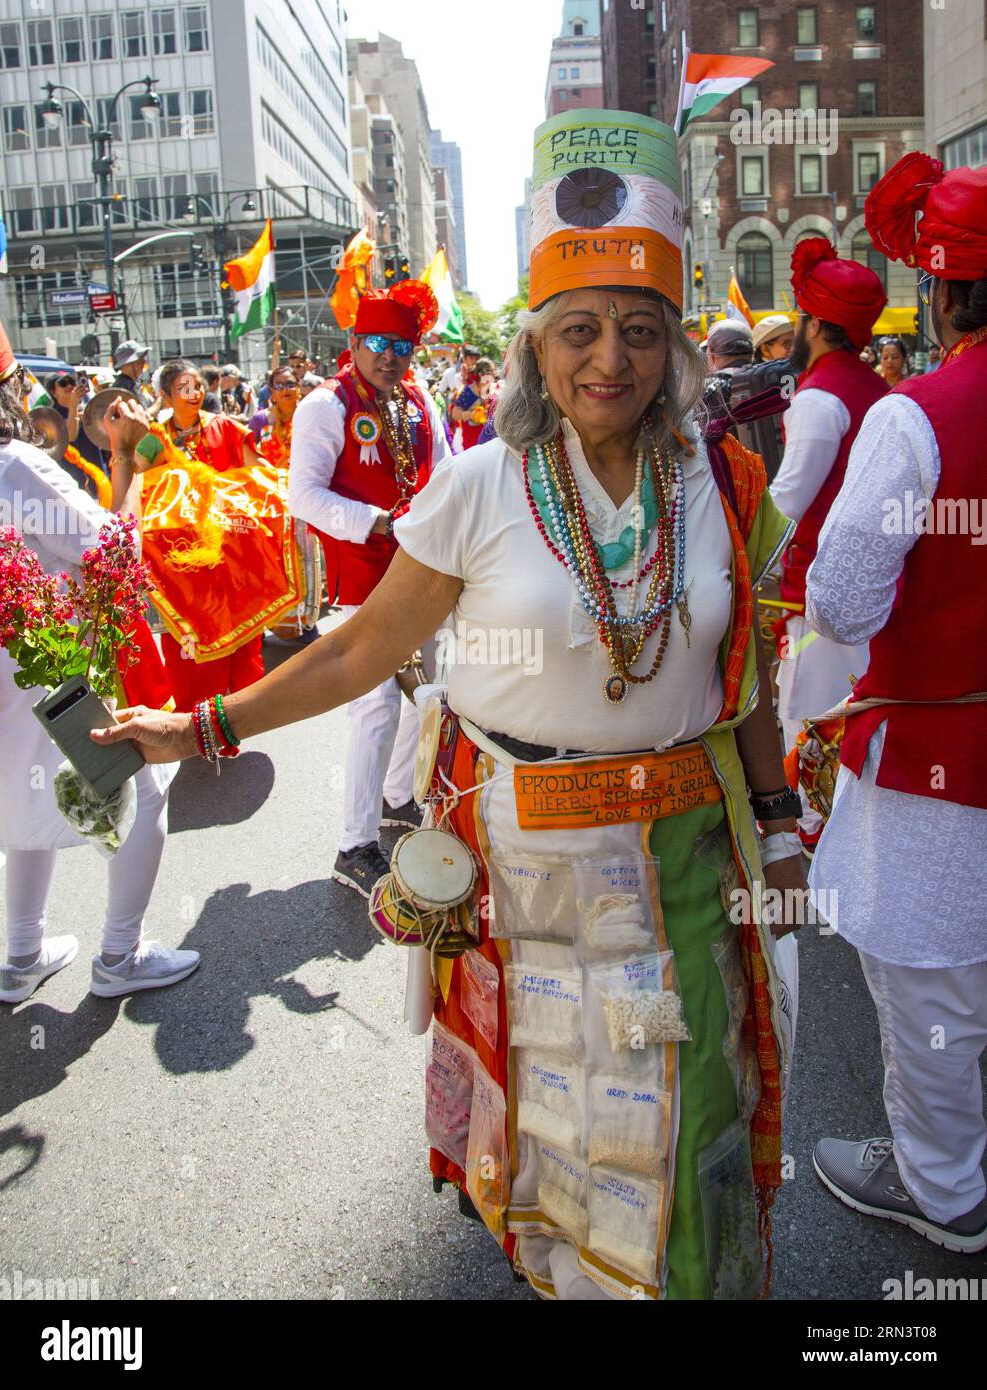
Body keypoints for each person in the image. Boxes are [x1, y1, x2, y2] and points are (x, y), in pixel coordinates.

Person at [95, 108, 805, 1302]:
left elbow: (747, 681)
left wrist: (779, 825)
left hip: (690, 855)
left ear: (676, 349)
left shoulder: (726, 485)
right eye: (579, 330)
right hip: (522, 871)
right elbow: (362, 648)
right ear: (534, 349)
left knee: (687, 1139)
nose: (610, 361)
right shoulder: (479, 484)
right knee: (564, 1148)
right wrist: (203, 726)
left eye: (639, 331)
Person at [808, 152, 987, 1255]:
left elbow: (840, 595)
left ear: (947, 294)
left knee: (932, 982)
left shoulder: (915, 417)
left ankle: (945, 1184)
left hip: (939, 757)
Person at [0, 315, 198, 1003]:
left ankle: (23, 956)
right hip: (49, 669)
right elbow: (111, 549)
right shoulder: (15, 465)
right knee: (143, 785)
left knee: (20, 793)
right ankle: (122, 955)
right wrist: (130, 463)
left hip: (6, 679)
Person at [286, 280, 450, 895]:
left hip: (427, 572)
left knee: (432, 690)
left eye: (402, 346)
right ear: (354, 343)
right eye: (377, 343)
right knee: (376, 705)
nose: (389, 356)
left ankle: (397, 796)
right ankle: (354, 845)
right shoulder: (325, 406)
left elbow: (451, 469)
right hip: (363, 581)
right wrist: (377, 521)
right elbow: (303, 495)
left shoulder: (418, 399)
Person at [769, 239, 888, 849]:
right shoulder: (877, 389)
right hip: (872, 585)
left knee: (807, 715)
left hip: (819, 591)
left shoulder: (819, 397)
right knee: (852, 709)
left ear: (814, 323)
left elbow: (785, 504)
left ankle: (821, 833)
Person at [109, 359, 298, 711]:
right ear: (165, 396)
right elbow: (138, 485)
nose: (195, 393)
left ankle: (239, 713)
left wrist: (292, 487)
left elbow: (257, 476)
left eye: (198, 385)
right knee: (188, 645)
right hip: (181, 568)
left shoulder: (225, 428)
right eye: (184, 388)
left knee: (240, 634)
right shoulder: (153, 439)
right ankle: (194, 720)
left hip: (231, 557)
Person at [248, 366, 300, 459]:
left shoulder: (307, 415)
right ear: (272, 390)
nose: (285, 389)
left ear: (298, 387)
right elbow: (248, 452)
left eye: (290, 384)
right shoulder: (260, 418)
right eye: (279, 386)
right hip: (270, 472)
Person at [450, 356, 496, 450]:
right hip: (472, 438)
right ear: (481, 375)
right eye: (491, 372)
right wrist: (469, 415)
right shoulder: (469, 391)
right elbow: (455, 413)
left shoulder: (493, 390)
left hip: (490, 438)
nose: (494, 375)